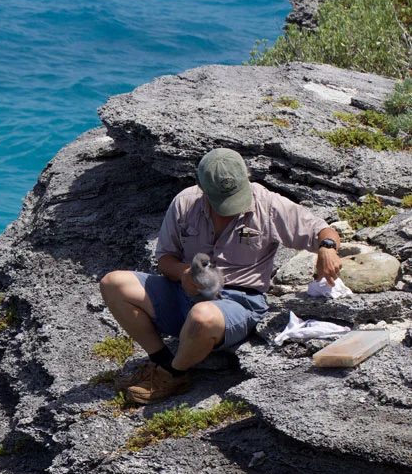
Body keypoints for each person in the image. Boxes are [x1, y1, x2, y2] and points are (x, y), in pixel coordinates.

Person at [99, 147, 342, 405]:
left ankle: (174, 375)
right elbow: (165, 258)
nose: (229, 209)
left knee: (202, 316)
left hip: (237, 303)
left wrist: (327, 249)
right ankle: (162, 361)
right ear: (200, 187)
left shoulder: (268, 204)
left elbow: (322, 231)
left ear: (247, 177)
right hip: (184, 294)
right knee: (113, 283)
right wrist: (183, 273)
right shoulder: (185, 202)